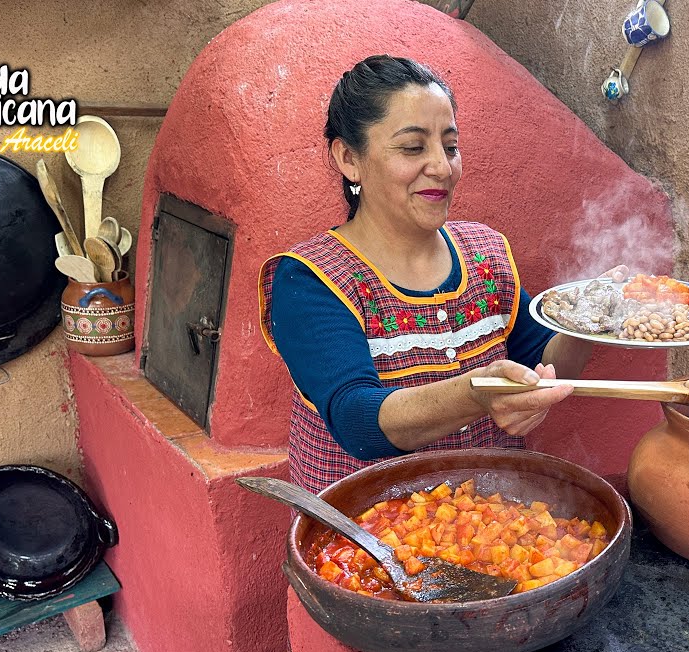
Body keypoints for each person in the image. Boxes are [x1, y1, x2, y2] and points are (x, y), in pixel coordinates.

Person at [259, 55, 622, 493]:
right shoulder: (310, 280)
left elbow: (542, 364)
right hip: (364, 543)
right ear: (349, 158)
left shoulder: (486, 255)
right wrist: (475, 393)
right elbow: (357, 419)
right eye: (413, 147)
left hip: (496, 531)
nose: (442, 167)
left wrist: (597, 317)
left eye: (450, 147)